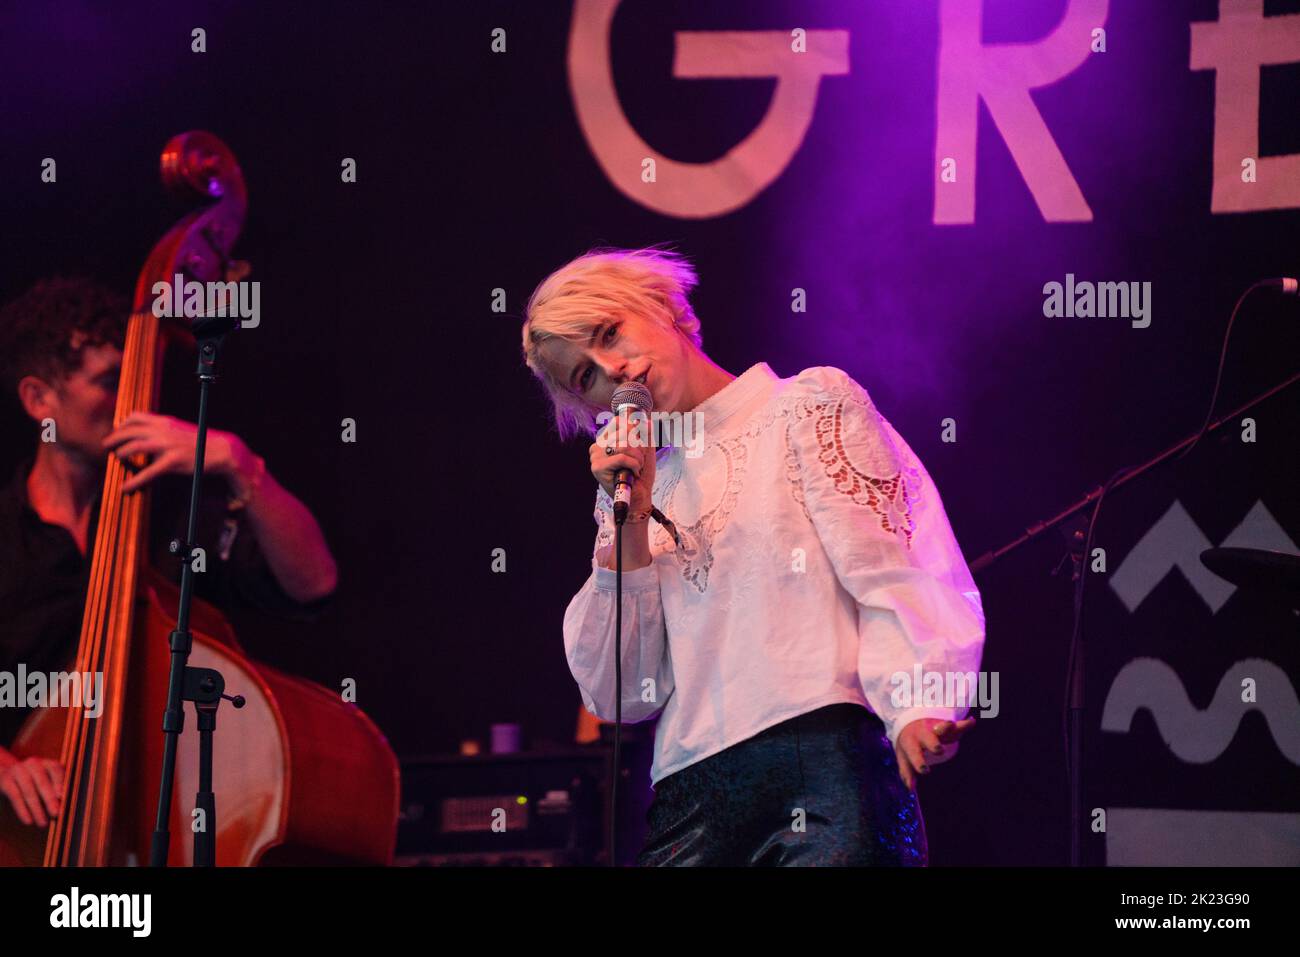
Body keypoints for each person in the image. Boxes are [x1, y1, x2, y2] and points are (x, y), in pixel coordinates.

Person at [521, 246, 986, 865]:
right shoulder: (631, 495)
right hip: (690, 796)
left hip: (820, 765)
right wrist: (627, 524)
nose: (614, 368)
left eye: (611, 333)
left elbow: (893, 566)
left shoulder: (803, 407)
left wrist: (920, 700)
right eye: (587, 376)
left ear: (662, 307)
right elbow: (624, 692)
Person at [0, 277, 338, 830]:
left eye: (137, 377)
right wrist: (7, 768)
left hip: (166, 825)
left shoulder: (170, 514)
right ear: (40, 400)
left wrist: (239, 462)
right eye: (110, 383)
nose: (135, 401)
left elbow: (313, 583)